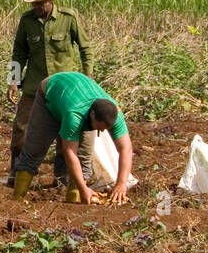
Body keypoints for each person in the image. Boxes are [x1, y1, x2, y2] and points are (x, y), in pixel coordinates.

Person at [7, 0, 93, 187]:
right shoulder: (27, 21)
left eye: (40, 3)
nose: (37, 7)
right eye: (34, 3)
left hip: (65, 89)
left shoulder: (68, 18)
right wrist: (13, 81)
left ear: (51, 0)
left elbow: (86, 49)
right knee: (21, 130)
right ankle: (17, 174)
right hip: (34, 87)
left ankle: (62, 178)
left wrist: (87, 80)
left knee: (67, 133)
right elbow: (18, 52)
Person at [12, 71, 134, 205]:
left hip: (75, 95)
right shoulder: (74, 115)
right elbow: (70, 153)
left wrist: (122, 183)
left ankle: (75, 201)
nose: (101, 131)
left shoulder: (115, 114)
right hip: (51, 94)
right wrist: (83, 188)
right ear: (92, 115)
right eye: (99, 127)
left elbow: (126, 149)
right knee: (35, 150)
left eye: (105, 129)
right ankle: (17, 199)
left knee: (84, 156)